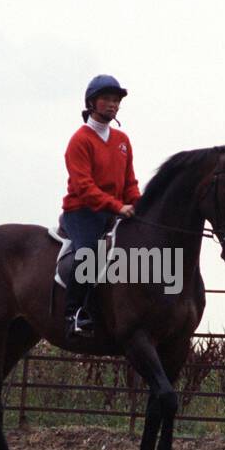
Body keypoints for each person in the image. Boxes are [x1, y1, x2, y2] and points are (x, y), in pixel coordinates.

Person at [60, 74, 140, 339]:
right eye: (107, 99)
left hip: (115, 211)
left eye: (116, 100)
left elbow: (130, 183)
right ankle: (74, 315)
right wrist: (118, 207)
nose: (113, 104)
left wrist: (139, 205)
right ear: (92, 103)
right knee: (88, 255)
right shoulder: (79, 140)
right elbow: (85, 187)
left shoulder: (122, 141)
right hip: (83, 212)